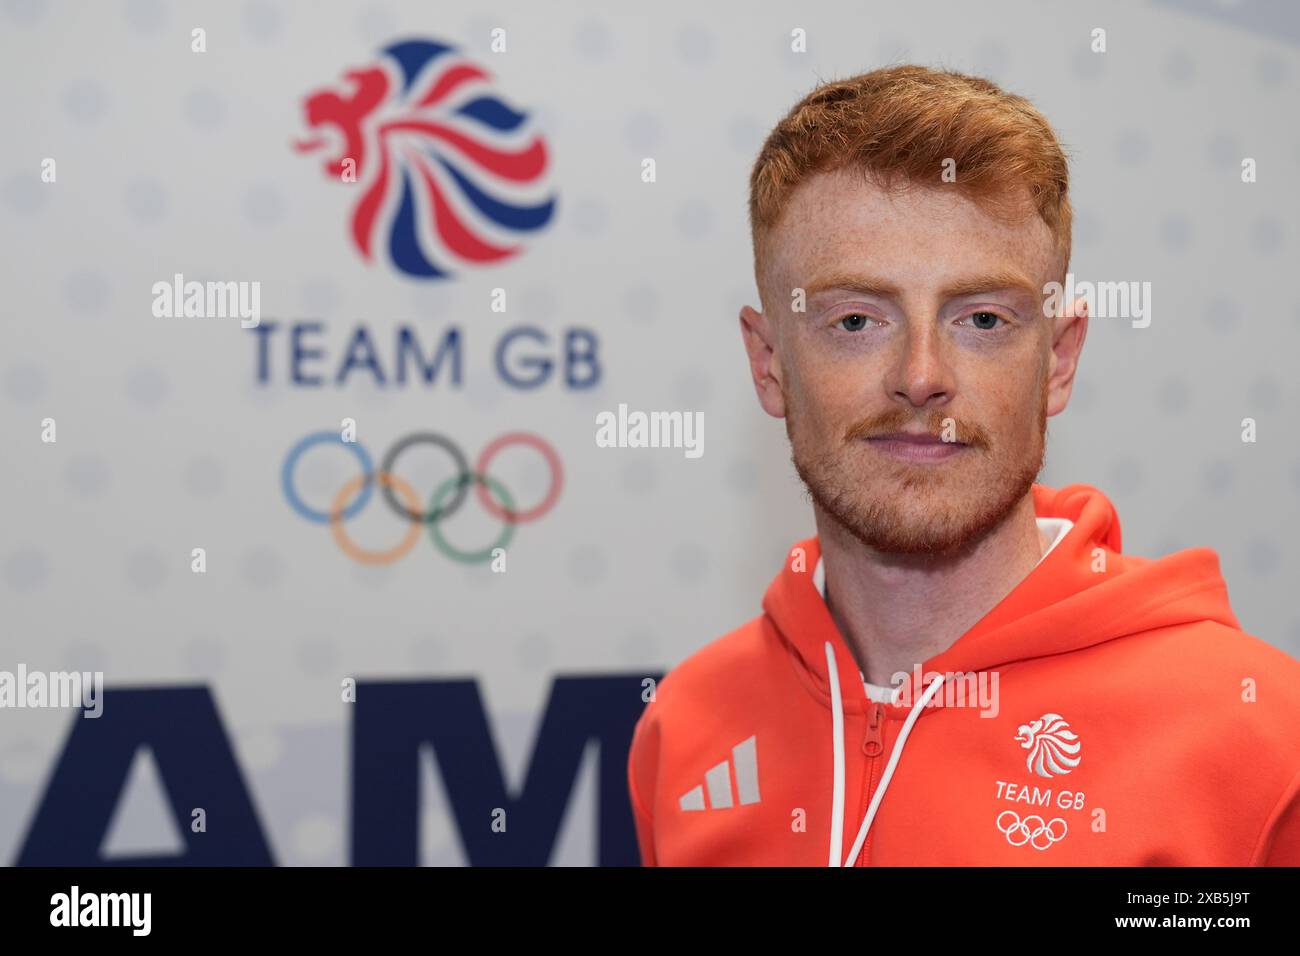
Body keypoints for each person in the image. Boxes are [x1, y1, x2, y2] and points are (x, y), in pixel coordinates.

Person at [626, 64, 1300, 866]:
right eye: (855, 321)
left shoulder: (1261, 740)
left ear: (1059, 360)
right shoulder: (687, 728)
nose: (920, 375)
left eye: (982, 319)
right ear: (769, 363)